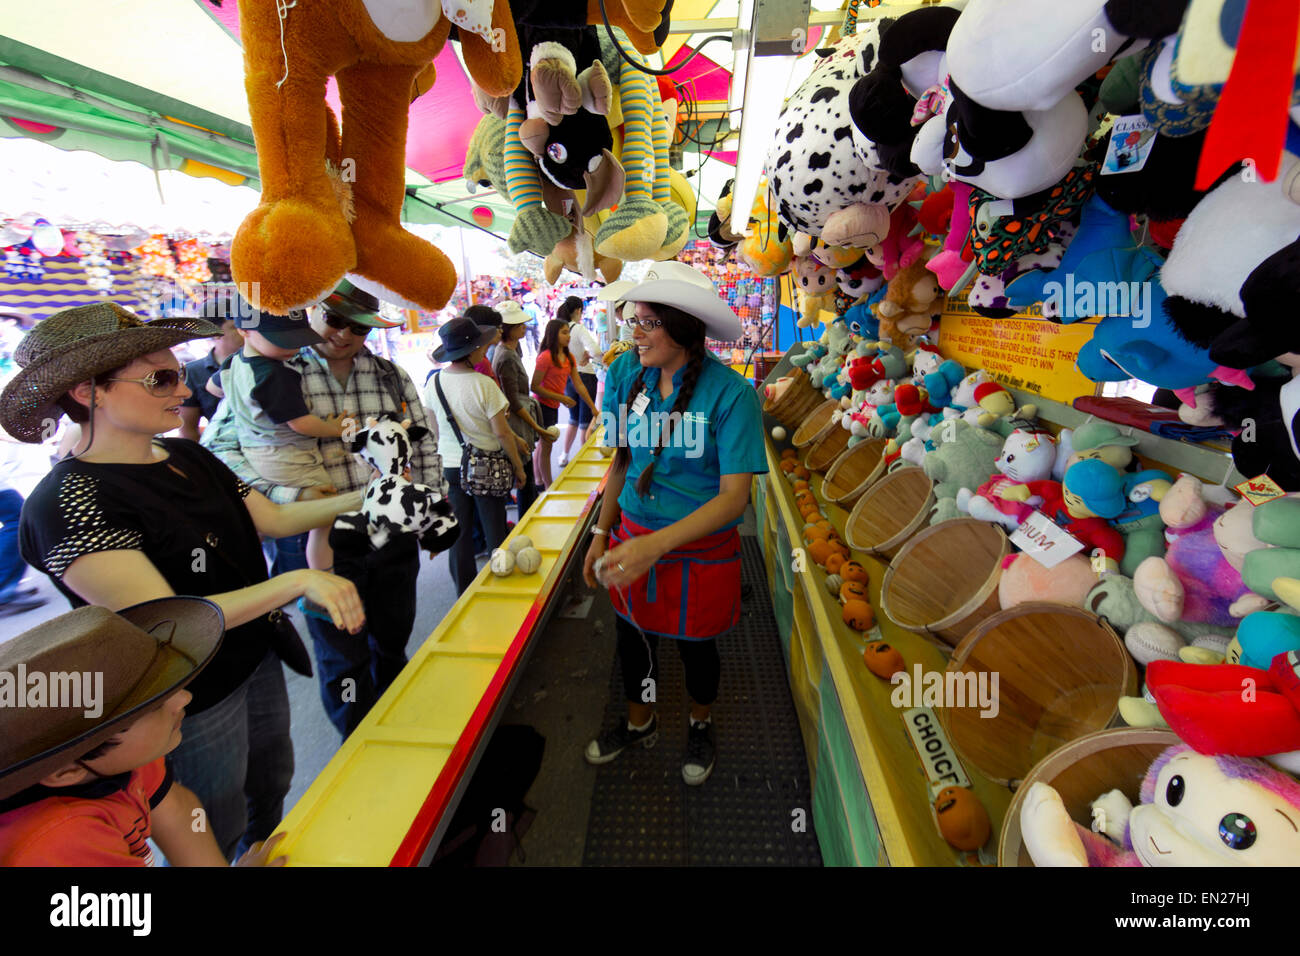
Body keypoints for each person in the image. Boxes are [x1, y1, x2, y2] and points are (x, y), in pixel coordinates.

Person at [4, 303, 366, 860]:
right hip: (183, 697)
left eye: (178, 370)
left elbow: (274, 520)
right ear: (86, 392)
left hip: (253, 656)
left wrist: (373, 497)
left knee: (270, 787)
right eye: (159, 378)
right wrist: (296, 583)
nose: (183, 386)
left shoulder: (187, 456)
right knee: (209, 816)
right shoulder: (66, 502)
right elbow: (172, 616)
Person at [203, 279, 442, 739]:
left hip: (391, 538)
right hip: (319, 544)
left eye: (358, 326)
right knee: (342, 657)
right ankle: (360, 744)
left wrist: (430, 515)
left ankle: (399, 723)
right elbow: (220, 453)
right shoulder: (269, 372)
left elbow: (424, 447)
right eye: (334, 319)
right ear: (312, 314)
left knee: (392, 641)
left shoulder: (392, 376)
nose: (344, 334)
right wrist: (292, 501)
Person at [582, 262, 767, 786]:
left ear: (683, 327)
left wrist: (655, 547)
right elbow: (620, 461)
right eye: (633, 321)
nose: (633, 333)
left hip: (698, 552)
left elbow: (734, 500)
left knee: (697, 648)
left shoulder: (731, 395)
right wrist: (601, 534)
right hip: (631, 540)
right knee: (633, 643)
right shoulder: (623, 377)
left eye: (647, 323)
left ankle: (699, 721)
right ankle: (640, 721)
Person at [0, 599, 286, 866]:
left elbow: (177, 810)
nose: (183, 698)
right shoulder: (60, 844)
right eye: (153, 706)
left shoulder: (117, 758)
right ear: (65, 771)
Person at [217, 308, 352, 572]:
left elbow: (214, 387)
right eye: (281, 339)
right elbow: (301, 423)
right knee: (324, 516)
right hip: (289, 457)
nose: (292, 348)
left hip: (256, 450)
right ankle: (324, 575)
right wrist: (335, 428)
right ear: (244, 331)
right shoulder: (277, 374)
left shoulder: (234, 364)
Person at [423, 317, 527, 596]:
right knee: (495, 530)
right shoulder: (484, 385)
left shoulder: (433, 384)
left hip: (452, 468)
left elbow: (433, 430)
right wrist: (518, 467)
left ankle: (464, 593)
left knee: (459, 533)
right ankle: (501, 587)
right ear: (471, 352)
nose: (484, 349)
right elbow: (502, 434)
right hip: (486, 467)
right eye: (480, 346)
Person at [492, 301, 559, 520]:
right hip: (517, 423)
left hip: (522, 418)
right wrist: (537, 427)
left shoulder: (511, 351)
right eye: (519, 324)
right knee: (524, 479)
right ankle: (527, 520)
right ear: (508, 329)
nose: (524, 327)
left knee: (527, 478)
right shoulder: (506, 357)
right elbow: (512, 400)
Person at [532, 318, 597, 489]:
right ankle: (547, 486)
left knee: (544, 446)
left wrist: (593, 407)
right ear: (553, 335)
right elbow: (535, 386)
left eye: (568, 331)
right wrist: (561, 398)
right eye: (564, 332)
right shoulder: (545, 358)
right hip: (542, 407)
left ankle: (539, 481)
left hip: (553, 406)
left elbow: (579, 384)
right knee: (546, 448)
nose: (568, 336)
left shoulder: (569, 358)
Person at [177, 308, 243, 441]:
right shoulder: (193, 372)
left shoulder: (264, 364)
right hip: (221, 449)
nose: (244, 332)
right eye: (235, 327)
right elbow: (188, 430)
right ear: (215, 333)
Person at [560, 297, 601, 466]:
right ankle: (582, 461)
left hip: (566, 379)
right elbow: (596, 350)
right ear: (578, 311)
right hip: (584, 376)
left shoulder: (558, 328)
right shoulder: (578, 329)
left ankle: (564, 455)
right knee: (585, 422)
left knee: (573, 419)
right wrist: (588, 354)